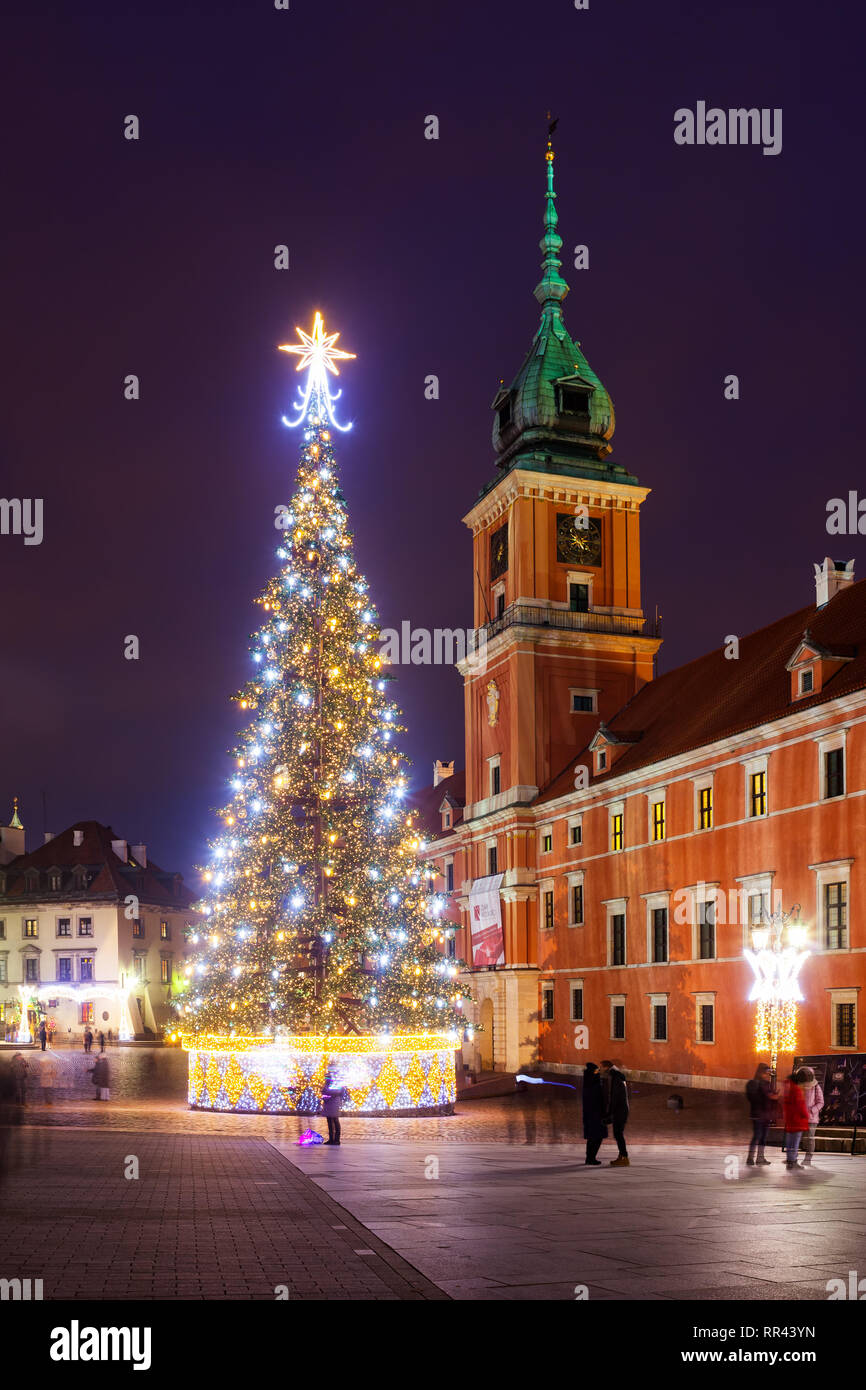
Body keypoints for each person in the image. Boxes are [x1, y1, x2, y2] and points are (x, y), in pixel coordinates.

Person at [745, 1062, 776, 1165]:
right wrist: (767, 1096)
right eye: (766, 1073)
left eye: (768, 1073)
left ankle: (760, 1158)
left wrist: (773, 1097)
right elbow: (752, 1098)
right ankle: (750, 1158)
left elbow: (770, 1098)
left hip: (766, 1115)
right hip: (758, 1115)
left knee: (763, 1137)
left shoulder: (767, 1084)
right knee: (757, 1136)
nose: (767, 1075)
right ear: (761, 1072)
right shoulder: (753, 1084)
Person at [601, 1059, 630, 1166]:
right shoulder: (617, 1075)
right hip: (621, 1109)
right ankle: (622, 1156)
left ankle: (624, 1157)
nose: (601, 1069)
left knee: (618, 1134)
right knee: (618, 1134)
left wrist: (610, 1113)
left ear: (607, 1067)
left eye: (602, 1067)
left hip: (620, 1110)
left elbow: (615, 1096)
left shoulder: (616, 1077)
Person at [781, 1070, 809, 1168]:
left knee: (789, 1142)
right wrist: (806, 1115)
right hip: (797, 1120)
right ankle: (793, 1162)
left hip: (790, 1119)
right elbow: (800, 1106)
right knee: (795, 1143)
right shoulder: (796, 1090)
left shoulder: (787, 1088)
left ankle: (790, 1160)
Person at [581, 1062, 607, 1165]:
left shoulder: (587, 1082)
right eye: (596, 1071)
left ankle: (590, 1157)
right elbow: (599, 1099)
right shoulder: (594, 1084)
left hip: (589, 1114)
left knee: (592, 1137)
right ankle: (591, 1158)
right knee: (597, 1136)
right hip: (596, 1114)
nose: (598, 1073)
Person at [798, 1066, 824, 1167]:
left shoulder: (816, 1086)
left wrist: (811, 1111)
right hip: (799, 1117)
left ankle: (808, 1159)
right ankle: (793, 1159)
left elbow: (820, 1102)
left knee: (810, 1138)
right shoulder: (797, 1085)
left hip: (811, 1118)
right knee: (797, 1137)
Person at [321, 1071, 344, 1145]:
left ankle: (336, 1140)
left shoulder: (337, 1084)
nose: (326, 1079)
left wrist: (327, 1093)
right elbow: (323, 1091)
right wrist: (327, 1093)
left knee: (335, 1120)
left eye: (327, 1077)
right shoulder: (327, 1084)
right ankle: (331, 1139)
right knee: (329, 1121)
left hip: (334, 1103)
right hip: (328, 1103)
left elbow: (337, 1092)